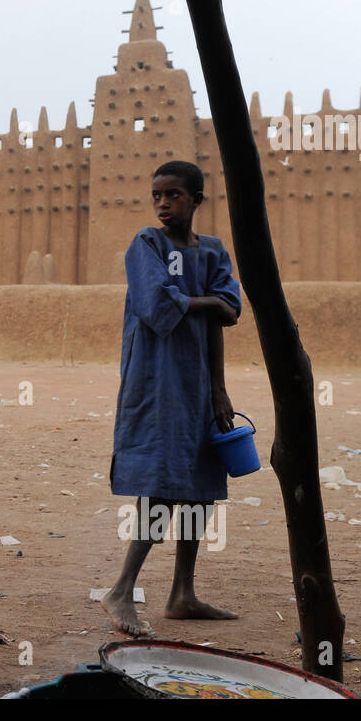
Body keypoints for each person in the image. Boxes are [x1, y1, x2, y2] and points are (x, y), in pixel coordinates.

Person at [100, 160, 242, 638]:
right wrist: (204, 303)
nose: (163, 203)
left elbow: (230, 312)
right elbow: (158, 304)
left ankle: (183, 593)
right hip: (157, 380)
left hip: (200, 384)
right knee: (162, 481)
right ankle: (122, 588)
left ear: (197, 199)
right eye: (157, 195)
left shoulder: (213, 251)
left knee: (202, 478)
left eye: (174, 195)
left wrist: (219, 389)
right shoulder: (147, 244)